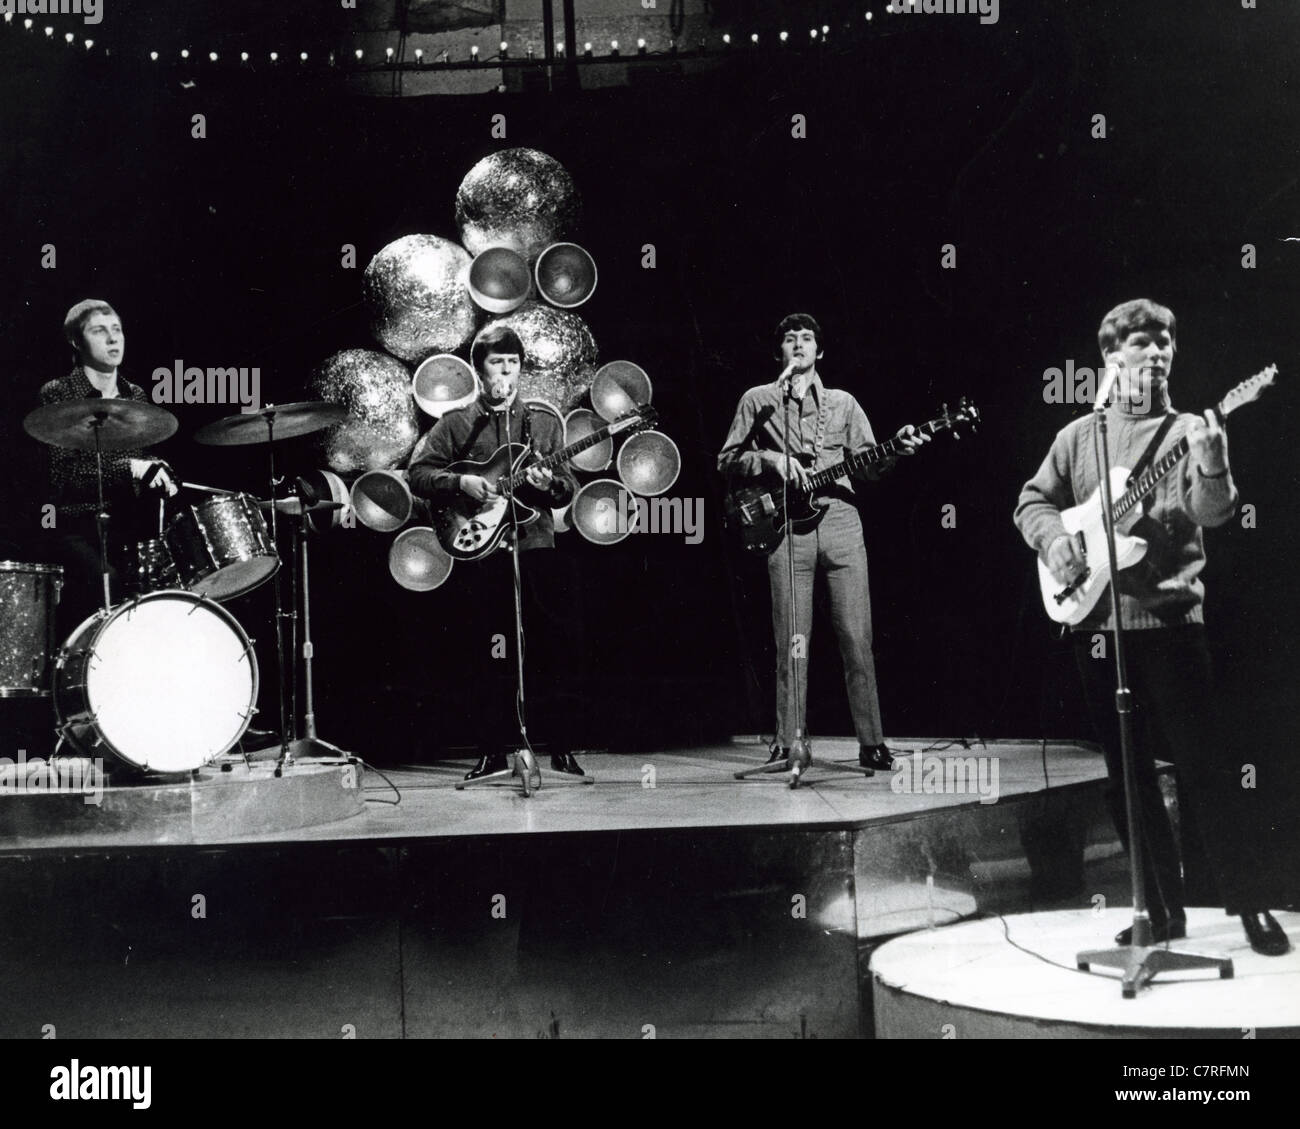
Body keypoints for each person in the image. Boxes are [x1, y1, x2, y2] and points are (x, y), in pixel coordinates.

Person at [1014, 297, 1289, 956]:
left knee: (1206, 771)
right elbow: (1032, 499)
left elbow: (1211, 511)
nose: (1160, 351)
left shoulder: (1190, 429)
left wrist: (1215, 463)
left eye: (1166, 340)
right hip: (1098, 625)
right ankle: (1160, 910)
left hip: (1170, 621)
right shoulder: (1081, 436)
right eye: (1143, 341)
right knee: (1126, 779)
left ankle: (1249, 905)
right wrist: (1053, 540)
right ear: (1112, 356)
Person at [717, 313, 926, 774]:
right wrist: (771, 460)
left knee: (857, 638)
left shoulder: (843, 403)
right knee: (793, 642)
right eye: (790, 339)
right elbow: (727, 459)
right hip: (788, 529)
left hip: (842, 524)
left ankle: (872, 743)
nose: (799, 345)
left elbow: (869, 466)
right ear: (779, 352)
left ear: (820, 350)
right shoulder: (759, 400)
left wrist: (895, 451)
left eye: (807, 338)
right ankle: (788, 741)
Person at [407, 326, 583, 779]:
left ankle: (560, 747)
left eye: (513, 362)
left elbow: (568, 490)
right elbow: (419, 475)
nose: (506, 371)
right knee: (490, 651)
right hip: (484, 552)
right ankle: (491, 752)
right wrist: (459, 482)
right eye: (496, 362)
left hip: (535, 545)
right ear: (479, 369)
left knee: (550, 649)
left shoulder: (541, 423)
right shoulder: (457, 423)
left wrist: (553, 485)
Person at [38, 300, 176, 634]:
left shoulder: (135, 395)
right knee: (111, 584)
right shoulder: (59, 393)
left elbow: (142, 460)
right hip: (78, 529)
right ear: (76, 341)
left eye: (117, 330)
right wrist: (129, 469)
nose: (113, 339)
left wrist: (157, 469)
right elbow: (63, 477)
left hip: (127, 529)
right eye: (99, 331)